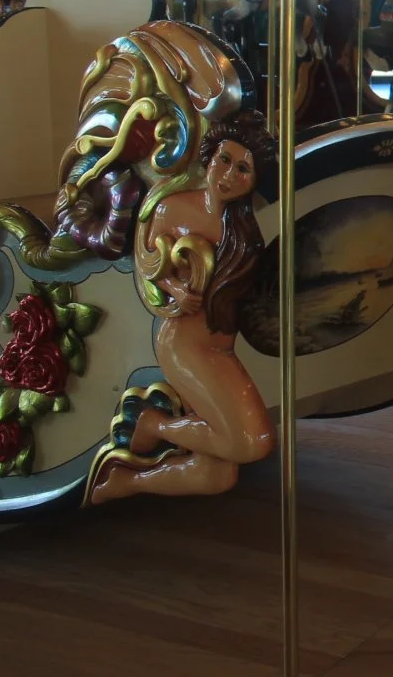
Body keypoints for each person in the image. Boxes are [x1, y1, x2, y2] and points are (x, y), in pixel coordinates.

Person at [88, 112, 277, 504]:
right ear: (209, 158)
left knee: (216, 474)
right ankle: (154, 425)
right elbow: (150, 262)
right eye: (224, 160)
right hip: (187, 344)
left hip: (221, 345)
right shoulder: (172, 208)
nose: (228, 175)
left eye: (243, 169)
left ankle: (128, 481)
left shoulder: (244, 226)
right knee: (252, 441)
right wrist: (174, 287)